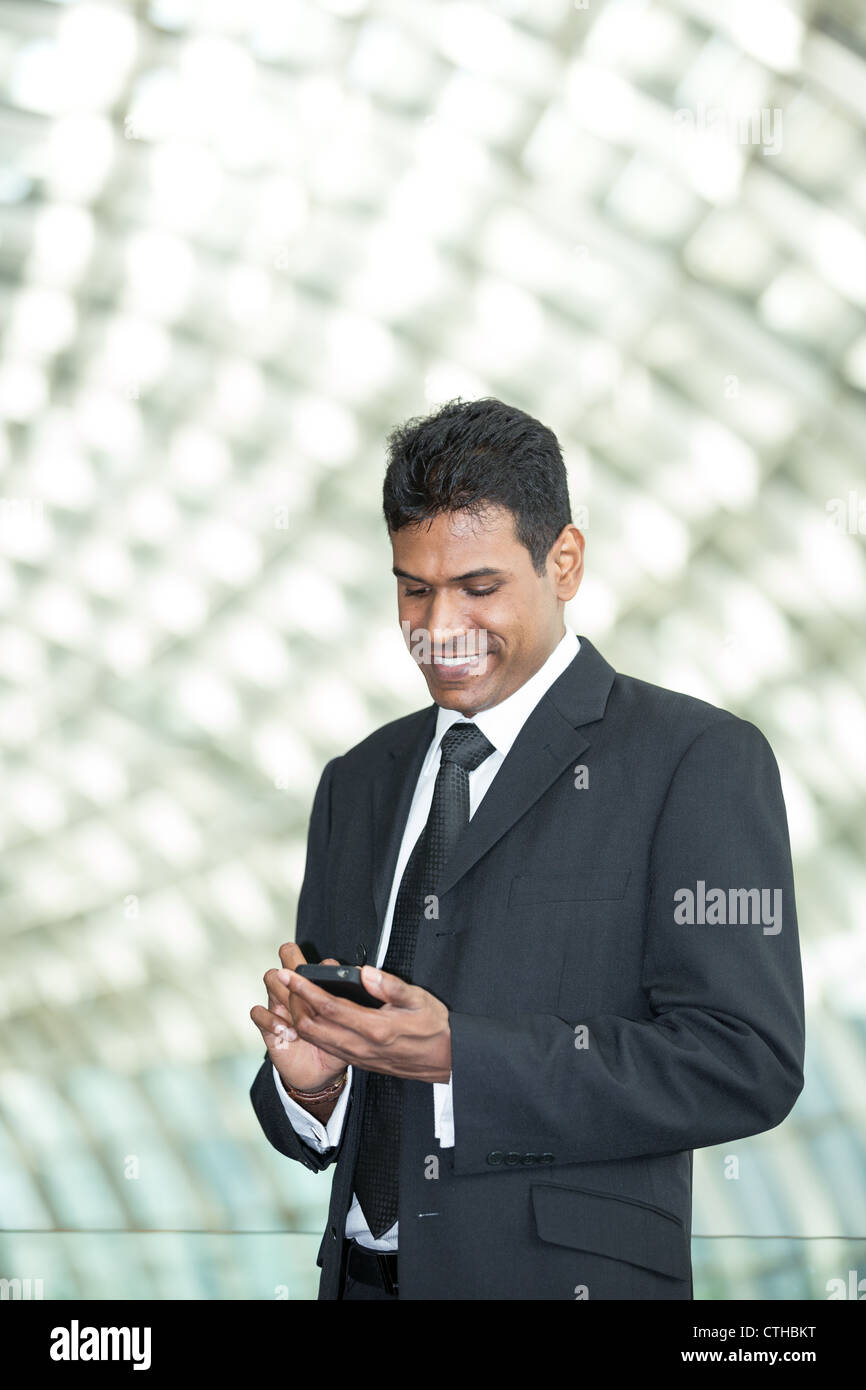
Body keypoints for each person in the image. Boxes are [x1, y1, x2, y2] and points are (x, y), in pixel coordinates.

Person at [249, 396, 805, 1300]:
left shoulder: (695, 760)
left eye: (478, 587)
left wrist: (460, 1056)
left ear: (565, 562)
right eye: (413, 587)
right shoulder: (358, 783)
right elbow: (342, 1080)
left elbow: (744, 1062)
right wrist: (317, 1087)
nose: (438, 628)